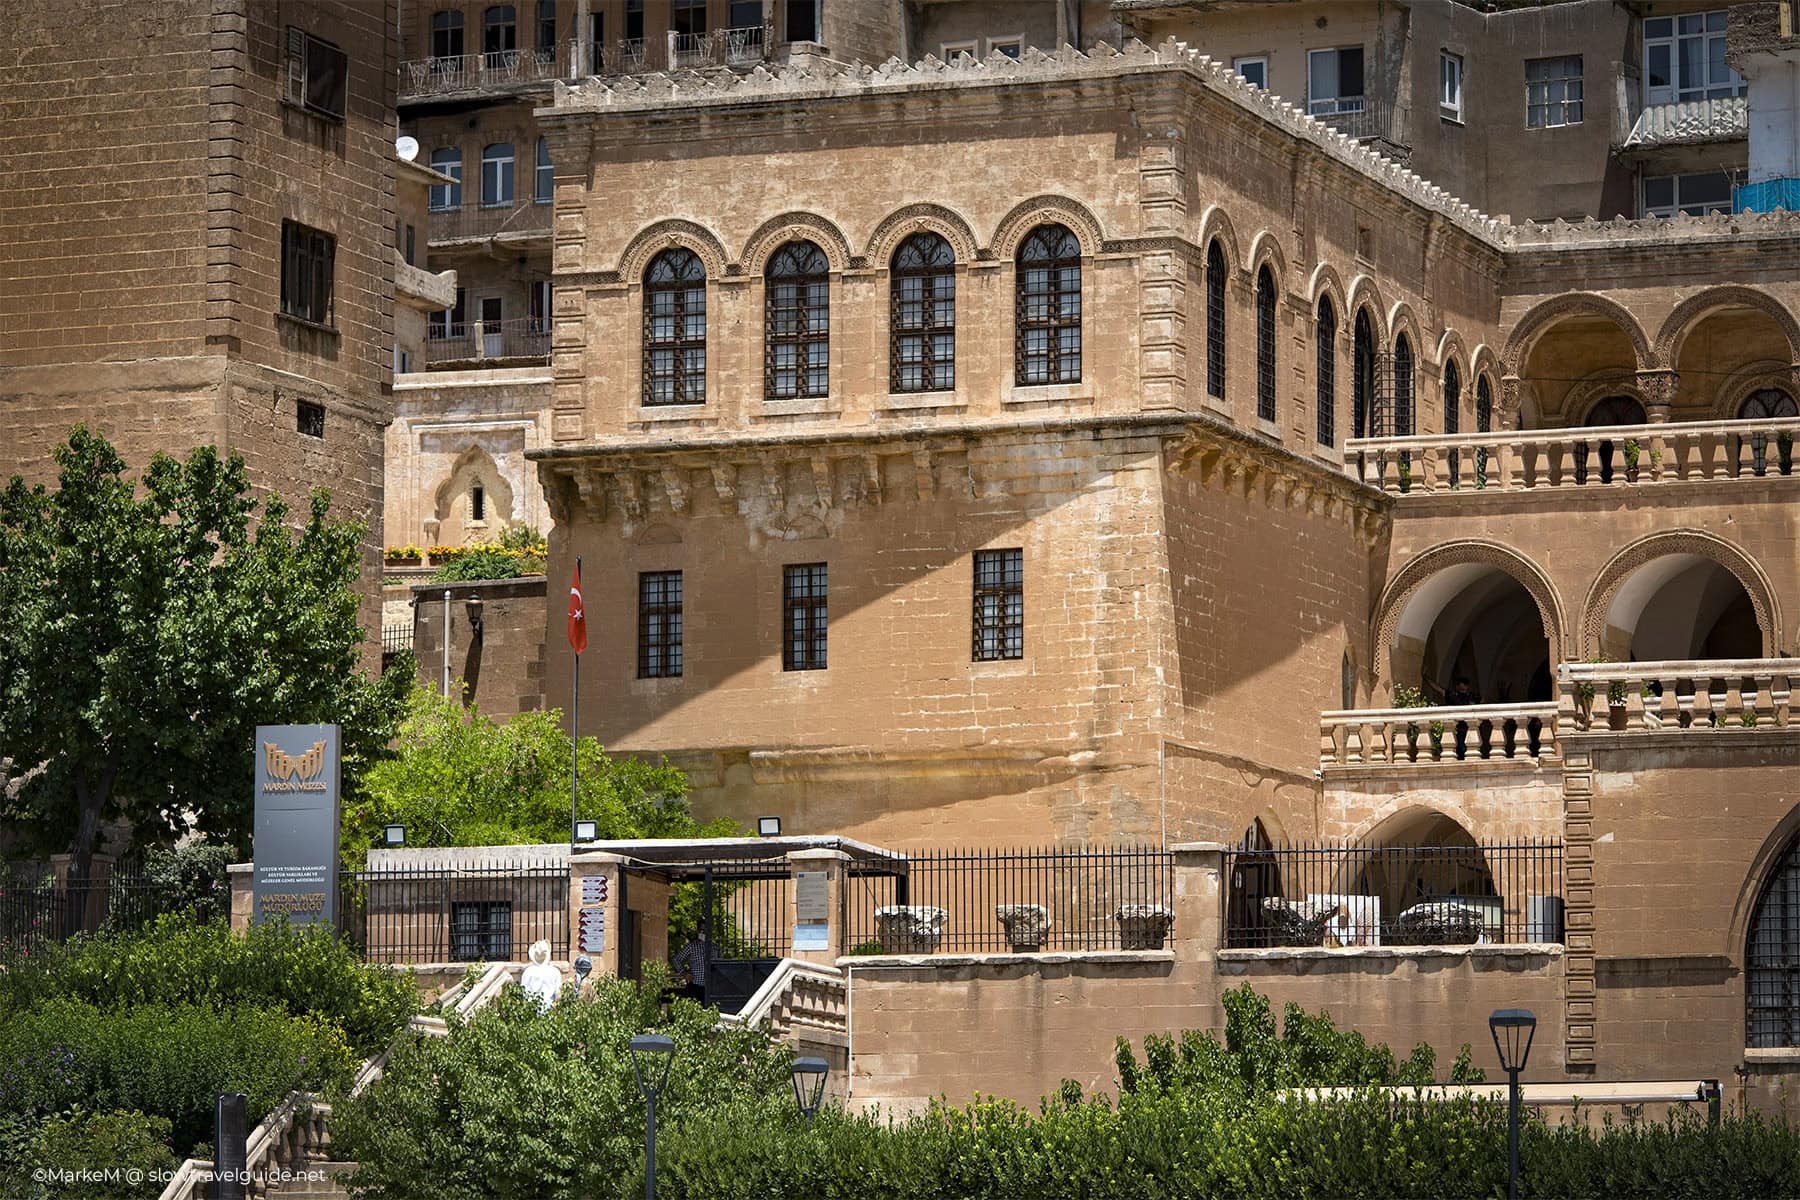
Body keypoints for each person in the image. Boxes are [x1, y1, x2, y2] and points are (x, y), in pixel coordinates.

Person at [1449, 675, 1480, 759]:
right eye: (1462, 689)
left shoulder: (1471, 696)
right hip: (1458, 728)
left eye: (1465, 689)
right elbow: (1440, 690)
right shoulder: (1453, 696)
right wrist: (1427, 679)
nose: (1464, 691)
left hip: (1469, 727)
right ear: (1457, 687)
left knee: (1471, 749)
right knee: (1460, 750)